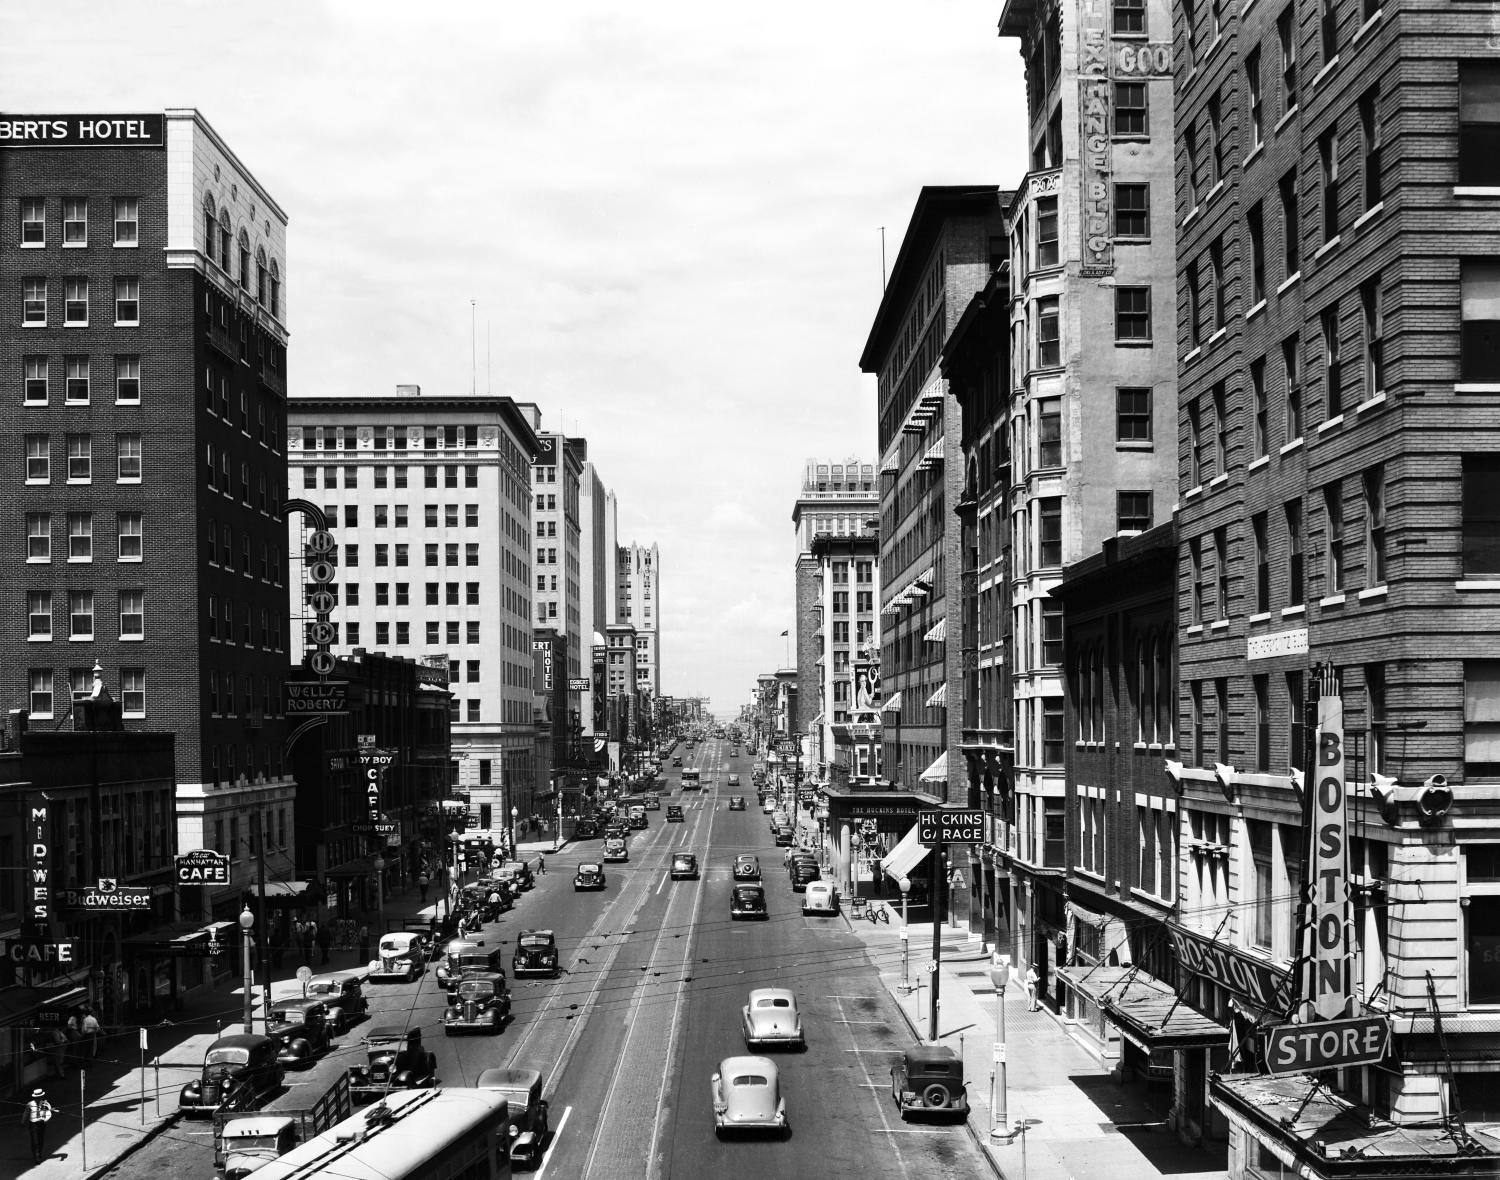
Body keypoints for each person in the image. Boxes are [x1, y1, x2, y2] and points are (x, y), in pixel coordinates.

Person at [23, 1087, 53, 1163]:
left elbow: (49, 1113)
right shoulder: (30, 1104)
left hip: (41, 1124)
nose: (38, 1098)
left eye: (39, 1097)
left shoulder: (45, 1104)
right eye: (37, 1097)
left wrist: (45, 1120)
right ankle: (37, 1156)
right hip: (33, 1124)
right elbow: (26, 1113)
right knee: (35, 1140)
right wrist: (23, 1121)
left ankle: (39, 1153)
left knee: (40, 1139)